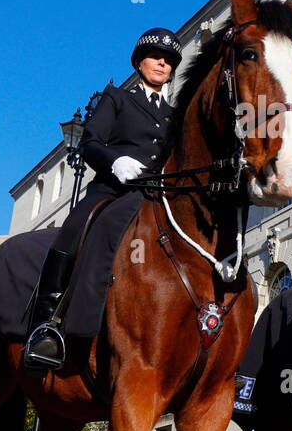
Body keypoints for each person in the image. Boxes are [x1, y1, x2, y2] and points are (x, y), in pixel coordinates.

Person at [22, 27, 183, 371]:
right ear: (140, 62)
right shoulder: (117, 99)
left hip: (155, 194)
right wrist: (115, 161)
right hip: (113, 189)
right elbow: (90, 142)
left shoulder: (173, 115)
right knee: (74, 229)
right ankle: (47, 324)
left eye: (169, 61)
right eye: (156, 56)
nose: (162, 64)